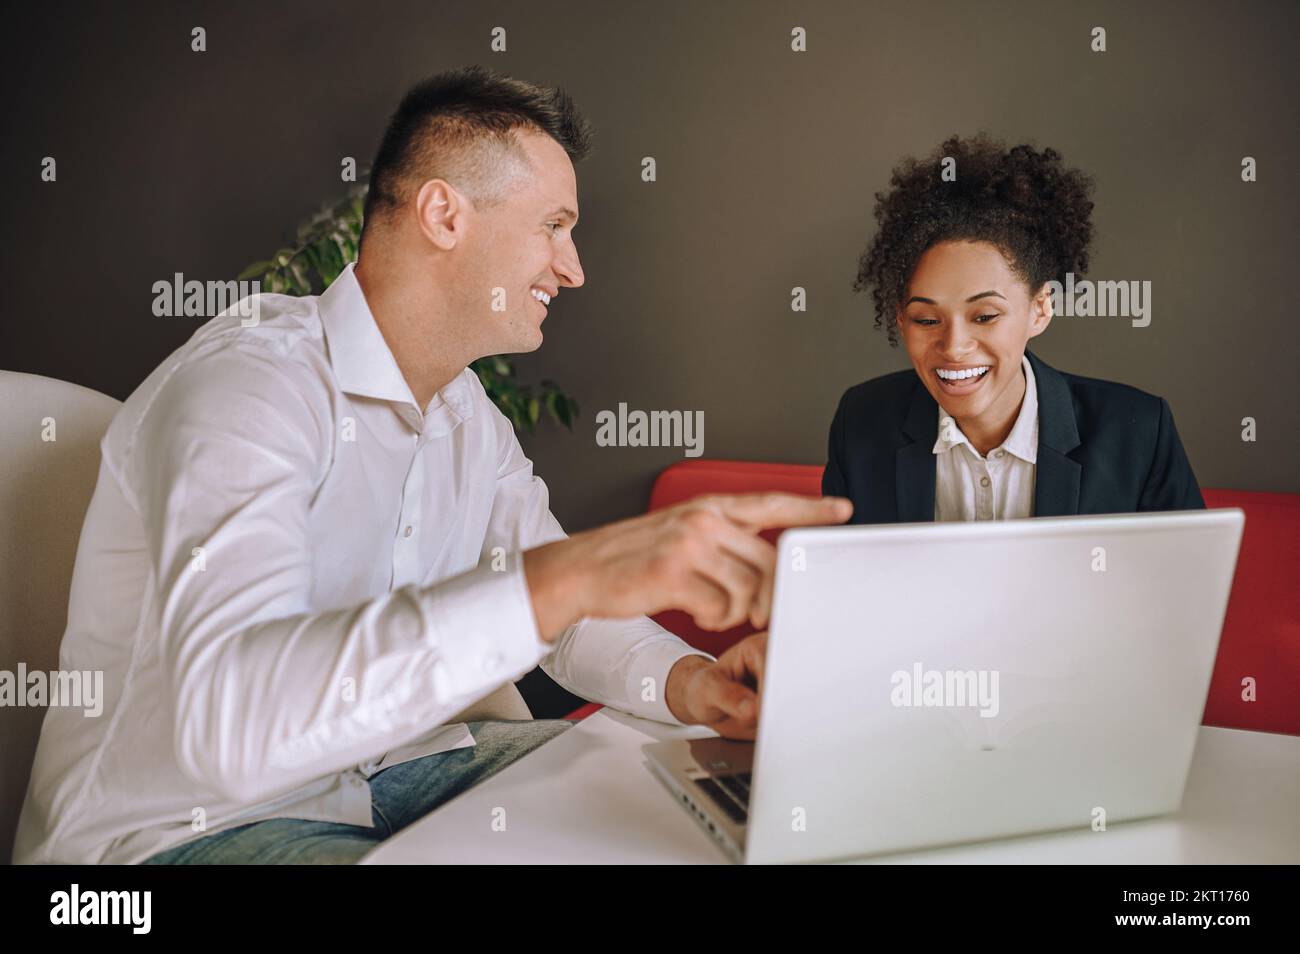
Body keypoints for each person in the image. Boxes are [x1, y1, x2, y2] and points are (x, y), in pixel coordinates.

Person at [15, 66, 850, 865]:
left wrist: (693, 681)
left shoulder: (467, 414)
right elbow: (232, 726)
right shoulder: (251, 385)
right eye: (553, 226)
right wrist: (563, 576)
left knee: (675, 815)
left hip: (394, 773)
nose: (573, 268)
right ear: (445, 215)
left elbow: (570, 618)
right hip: (179, 831)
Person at [823, 134, 1203, 523]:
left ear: (1041, 309)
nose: (954, 347)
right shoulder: (861, 424)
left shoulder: (1138, 432)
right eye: (927, 320)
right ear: (901, 320)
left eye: (985, 316)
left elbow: (1187, 562)